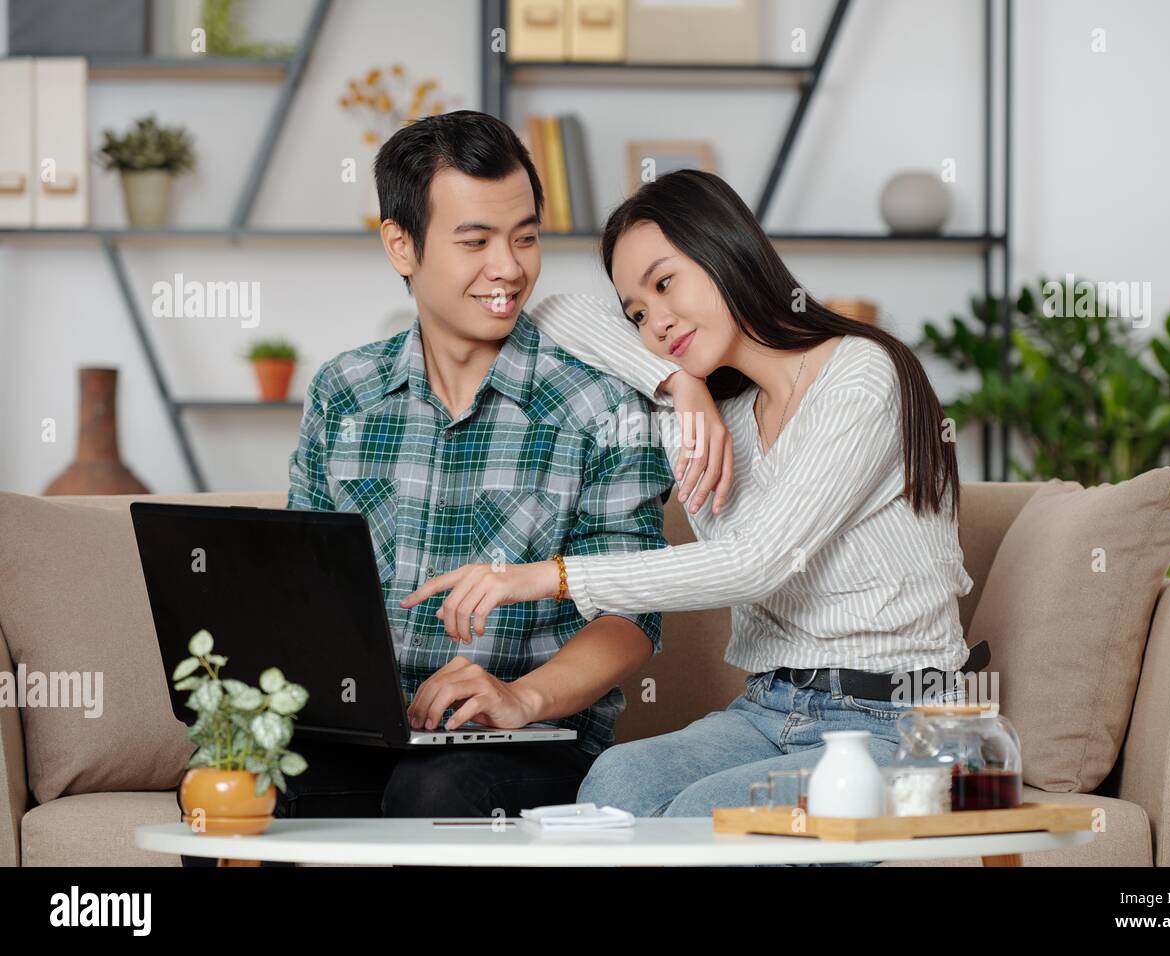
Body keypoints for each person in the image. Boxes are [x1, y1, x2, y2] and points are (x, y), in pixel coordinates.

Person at [401, 168, 977, 827]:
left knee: (705, 815)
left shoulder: (859, 374)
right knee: (614, 781)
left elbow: (755, 561)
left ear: (725, 249)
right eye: (637, 313)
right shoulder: (707, 418)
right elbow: (552, 312)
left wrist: (545, 578)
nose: (657, 320)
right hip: (768, 710)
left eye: (665, 282)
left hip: (903, 723)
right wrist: (676, 382)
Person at [177, 111, 675, 864]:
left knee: (435, 797)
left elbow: (632, 616)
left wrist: (520, 698)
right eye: (475, 241)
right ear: (399, 245)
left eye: (526, 236)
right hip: (361, 728)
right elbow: (301, 593)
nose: (509, 268)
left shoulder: (603, 406)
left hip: (525, 743)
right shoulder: (344, 394)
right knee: (232, 790)